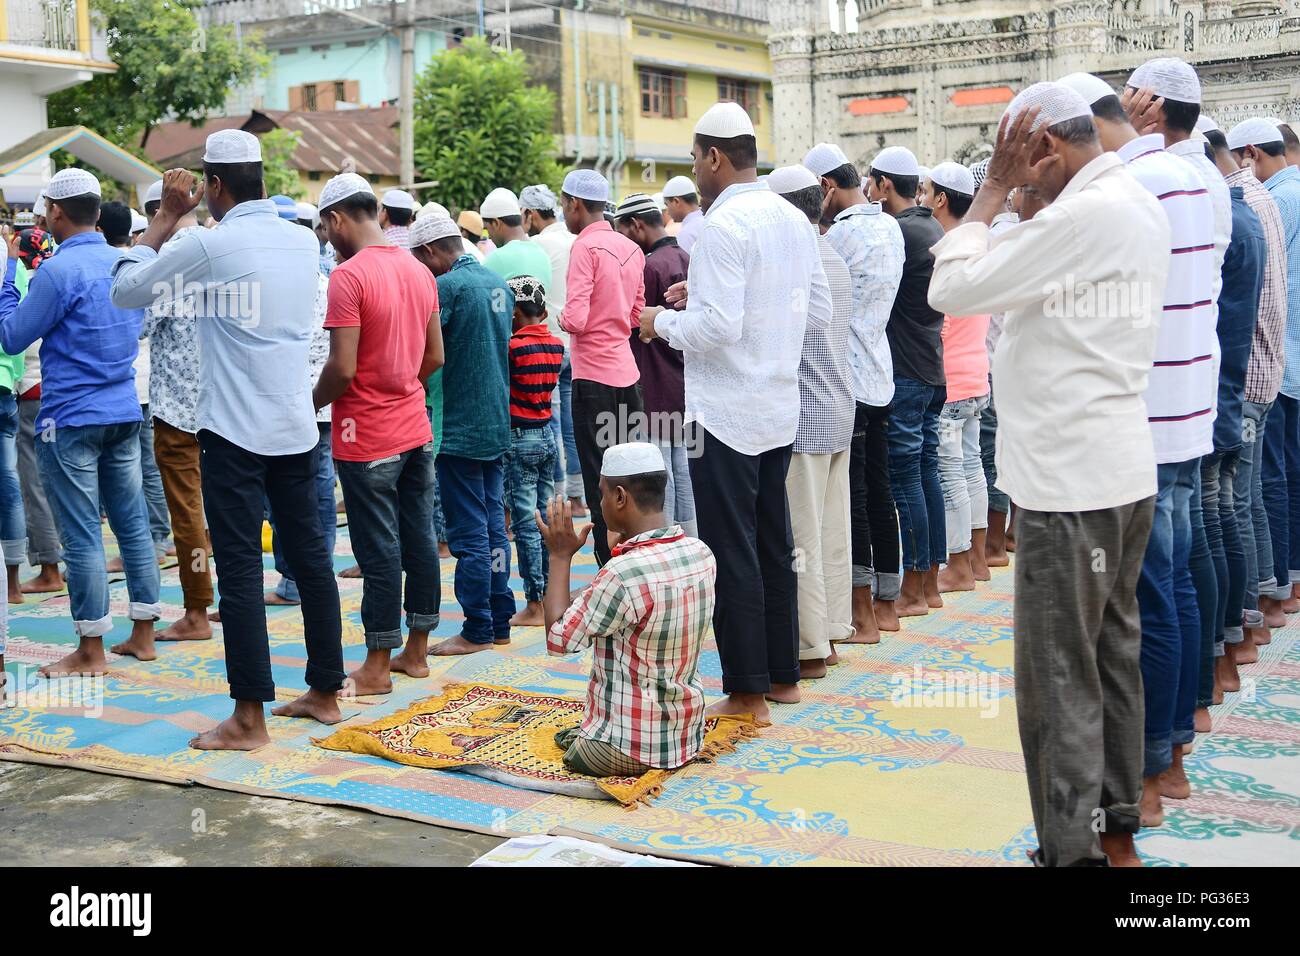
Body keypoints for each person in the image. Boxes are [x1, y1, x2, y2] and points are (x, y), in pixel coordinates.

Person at [928, 82, 1169, 867]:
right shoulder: (1128, 199)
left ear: (1048, 151)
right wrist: (1025, 200)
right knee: (1109, 656)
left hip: (1070, 486)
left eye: (1025, 169)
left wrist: (993, 191)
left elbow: (953, 288)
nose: (1017, 185)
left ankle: (1072, 852)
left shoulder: (1083, 215)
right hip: (1118, 471)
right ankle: (1115, 827)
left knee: (1058, 675)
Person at [111, 131, 346, 748]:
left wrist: (163, 218)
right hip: (296, 425)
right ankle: (325, 691)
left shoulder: (213, 245)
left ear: (214, 186)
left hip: (235, 435)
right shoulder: (302, 240)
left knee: (240, 571)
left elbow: (127, 292)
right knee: (314, 560)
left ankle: (249, 718)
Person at [1061, 70, 1219, 826]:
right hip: (1189, 406)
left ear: (1151, 105)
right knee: (1174, 588)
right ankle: (1176, 748)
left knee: (1141, 604)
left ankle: (1148, 772)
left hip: (1145, 423)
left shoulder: (1141, 181)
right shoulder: (1208, 180)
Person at [639, 101, 831, 723]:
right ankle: (782, 677)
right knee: (774, 544)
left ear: (715, 157)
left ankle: (746, 692)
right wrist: (709, 295)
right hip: (777, 406)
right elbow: (817, 312)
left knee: (732, 551)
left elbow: (718, 329)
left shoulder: (723, 226)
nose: (695, 170)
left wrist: (659, 320)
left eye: (695, 158)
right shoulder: (791, 218)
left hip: (724, 415)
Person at [0, 168, 161, 675]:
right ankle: (144, 632)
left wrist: (10, 275)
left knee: (83, 533)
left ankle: (90, 649)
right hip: (122, 410)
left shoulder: (55, 272)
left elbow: (12, 336)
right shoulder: (124, 263)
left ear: (57, 213)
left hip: (70, 417)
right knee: (132, 523)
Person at [311, 173, 443, 693]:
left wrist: (307, 406)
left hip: (366, 435)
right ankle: (417, 652)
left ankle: (376, 664)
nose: (328, 237)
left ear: (339, 218)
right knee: (419, 540)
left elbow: (342, 369)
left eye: (326, 226)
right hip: (414, 427)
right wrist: (402, 384)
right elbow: (434, 355)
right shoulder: (417, 270)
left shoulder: (349, 277)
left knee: (378, 551)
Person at [539, 442, 715, 777]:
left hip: (628, 749)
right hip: (684, 737)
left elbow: (558, 639)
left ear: (620, 498)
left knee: (576, 747)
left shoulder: (622, 573)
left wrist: (560, 556)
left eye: (602, 494)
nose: (600, 503)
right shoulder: (701, 552)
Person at [805, 141, 905, 641]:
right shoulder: (891, 226)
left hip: (846, 378)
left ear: (825, 188)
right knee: (881, 492)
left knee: (856, 499)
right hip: (881, 374)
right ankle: (889, 602)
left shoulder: (839, 239)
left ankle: (861, 614)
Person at [407, 213, 515, 655]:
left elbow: (427, 352)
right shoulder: (497, 282)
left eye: (421, 260)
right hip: (495, 420)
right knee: (493, 526)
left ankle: (476, 628)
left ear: (432, 252)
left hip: (460, 426)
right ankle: (499, 617)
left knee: (468, 533)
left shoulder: (446, 288)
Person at [769, 165, 855, 678]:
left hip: (805, 414)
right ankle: (832, 631)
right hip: (840, 407)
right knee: (830, 530)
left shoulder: (794, 262)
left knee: (802, 538)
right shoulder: (834, 256)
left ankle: (809, 647)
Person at [1214, 120, 1288, 685]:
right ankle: (1262, 608)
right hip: (1264, 371)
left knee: (1228, 508)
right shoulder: (1263, 201)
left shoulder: (1240, 208)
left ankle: (1241, 631)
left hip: (1241, 379)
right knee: (1252, 497)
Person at [867, 145, 948, 616]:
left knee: (906, 479)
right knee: (926, 472)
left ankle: (914, 589)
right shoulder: (930, 226)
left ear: (881, 185)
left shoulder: (898, 234)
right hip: (930, 366)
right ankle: (928, 584)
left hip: (907, 371)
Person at [1229, 120, 1300, 640]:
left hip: (1274, 364)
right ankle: (1285, 587)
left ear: (1249, 153)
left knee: (1259, 485)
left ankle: (1272, 595)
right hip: (1284, 361)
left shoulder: (1266, 203)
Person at [558, 168, 647, 566]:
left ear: (575, 204)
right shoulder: (631, 248)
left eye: (564, 204)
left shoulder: (585, 248)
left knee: (601, 479)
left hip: (593, 378)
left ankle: (608, 568)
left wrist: (557, 317)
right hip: (628, 378)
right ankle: (636, 561)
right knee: (631, 477)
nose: (564, 212)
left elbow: (575, 319)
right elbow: (634, 316)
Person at [137, 198, 214, 640]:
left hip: (177, 411)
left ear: (157, 215)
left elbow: (141, 324)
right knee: (217, 509)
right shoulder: (217, 248)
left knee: (186, 514)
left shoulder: (171, 259)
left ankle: (197, 612)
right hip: (220, 406)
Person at [922, 162, 990, 594]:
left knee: (951, 474)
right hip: (977, 376)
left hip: (951, 380)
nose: (922, 199)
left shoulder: (946, 249)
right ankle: (978, 559)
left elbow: (940, 320)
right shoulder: (978, 244)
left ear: (942, 198)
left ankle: (960, 565)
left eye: (927, 191)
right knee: (971, 468)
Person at [613, 192, 695, 535]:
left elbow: (638, 326)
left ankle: (664, 540)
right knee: (684, 467)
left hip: (656, 382)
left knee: (661, 470)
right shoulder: (689, 258)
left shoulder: (649, 267)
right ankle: (691, 539)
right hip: (687, 382)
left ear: (636, 225)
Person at [99, 201, 172, 567]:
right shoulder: (150, 264)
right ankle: (160, 539)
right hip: (146, 385)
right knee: (150, 467)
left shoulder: (117, 267)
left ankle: (149, 543)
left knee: (131, 473)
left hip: (123, 385)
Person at [503, 274, 563, 627]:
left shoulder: (512, 348)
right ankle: (552, 593)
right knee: (545, 517)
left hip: (520, 436)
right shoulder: (556, 345)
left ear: (513, 312)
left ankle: (534, 602)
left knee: (525, 522)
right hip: (546, 436)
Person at [520, 183, 584, 516]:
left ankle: (556, 498)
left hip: (549, 344)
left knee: (552, 422)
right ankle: (576, 498)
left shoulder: (535, 246)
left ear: (529, 215)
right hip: (578, 343)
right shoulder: (577, 241)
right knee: (573, 426)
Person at [9, 227, 63, 596]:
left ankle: (48, 566)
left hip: (31, 393)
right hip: (59, 393)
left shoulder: (25, 284)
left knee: (33, 482)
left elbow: (16, 339)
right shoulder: (58, 275)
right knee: (58, 480)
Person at [481, 188, 553, 288]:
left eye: (486, 229)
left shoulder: (497, 258)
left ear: (496, 223)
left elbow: (489, 301)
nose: (488, 235)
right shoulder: (543, 255)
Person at [661, 176, 703, 253]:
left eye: (667, 205)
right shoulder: (709, 219)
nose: (667, 212)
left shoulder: (686, 234)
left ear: (676, 201)